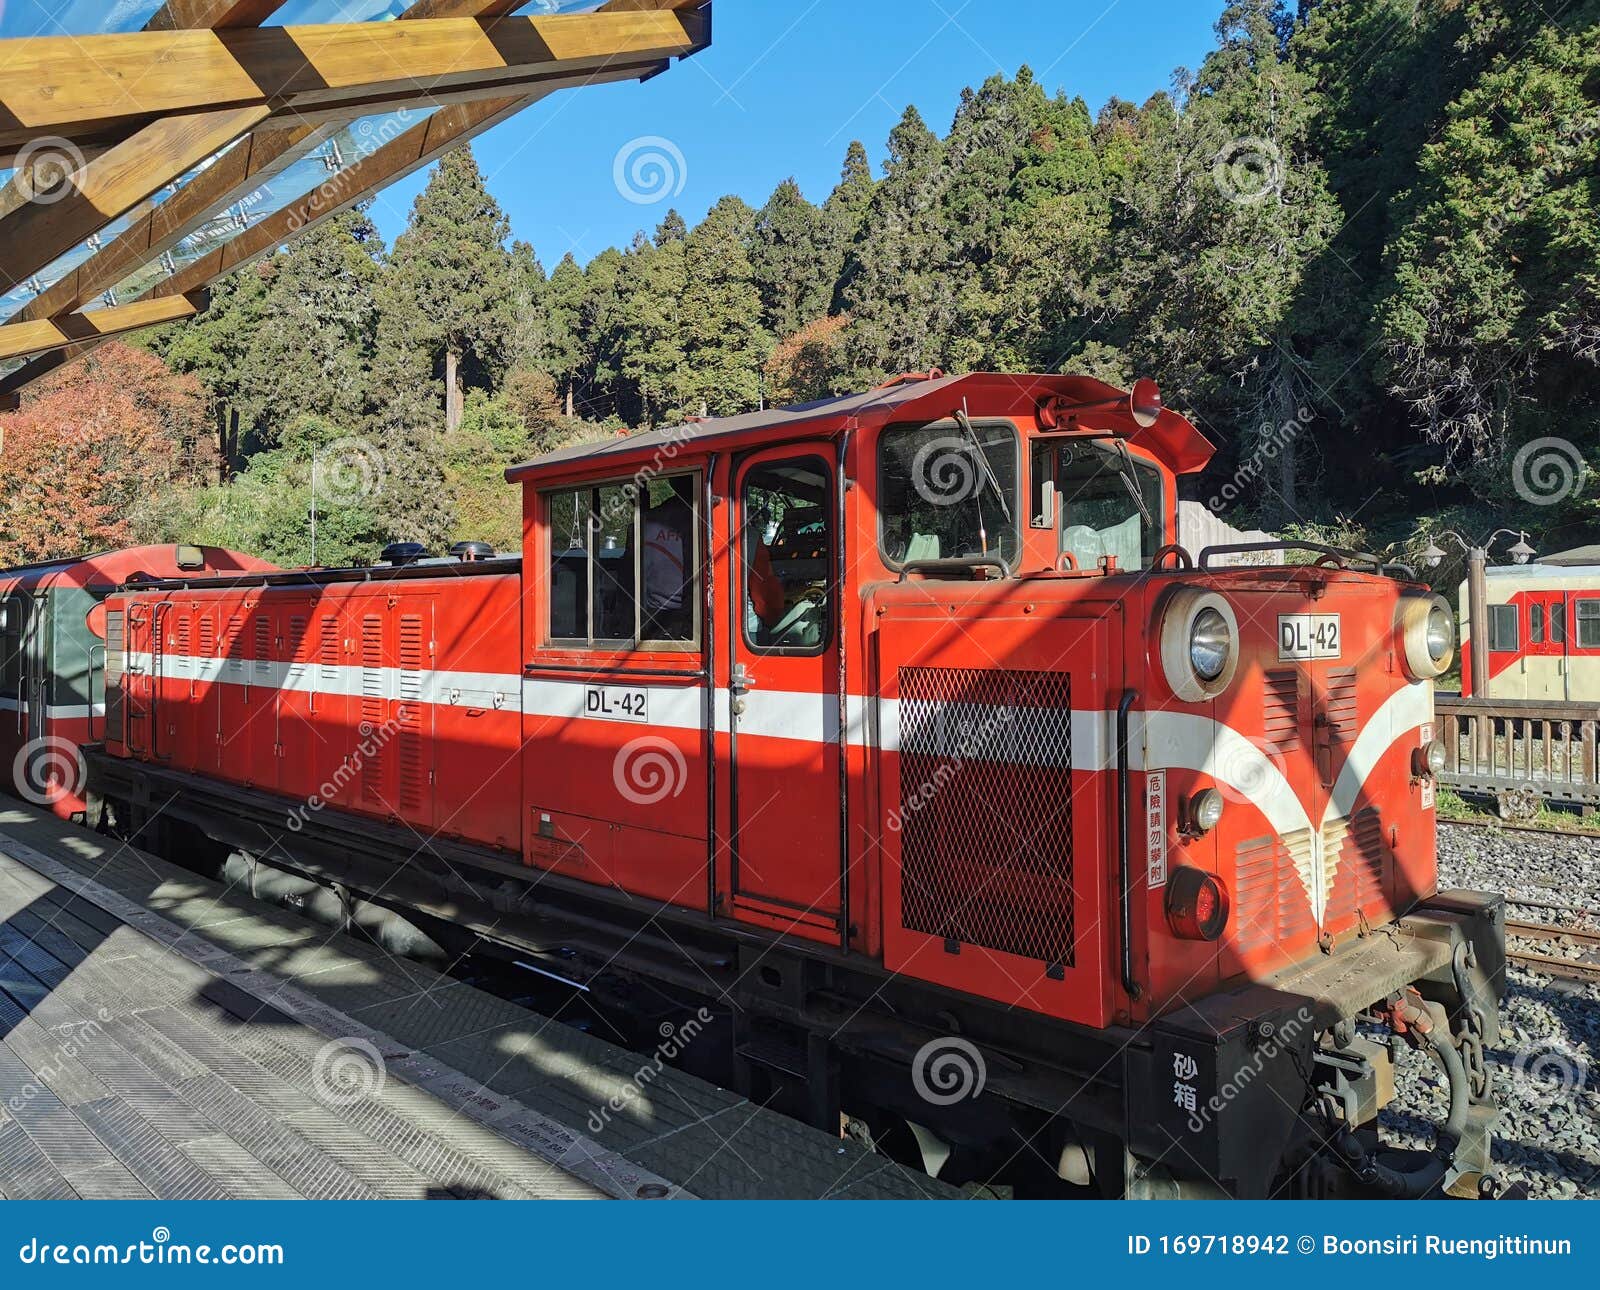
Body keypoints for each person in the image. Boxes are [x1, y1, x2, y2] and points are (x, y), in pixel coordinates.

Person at [640, 476, 695, 641]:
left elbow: (631, 566)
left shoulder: (648, 519)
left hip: (651, 615)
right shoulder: (702, 518)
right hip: (690, 618)